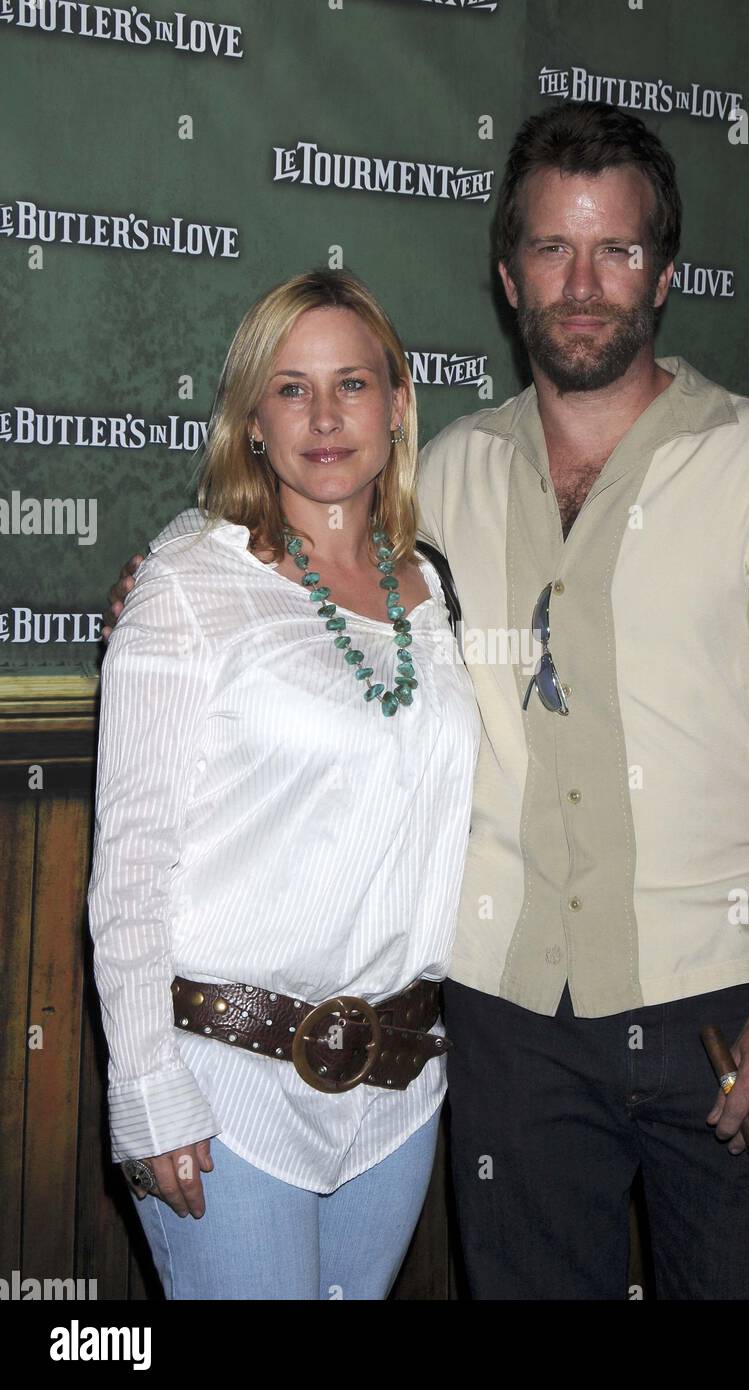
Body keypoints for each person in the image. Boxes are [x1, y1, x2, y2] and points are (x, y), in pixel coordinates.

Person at [105, 101, 749, 1301]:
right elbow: (273, 577)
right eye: (550, 251)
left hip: (720, 1014)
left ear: (663, 273)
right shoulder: (442, 483)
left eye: (614, 250)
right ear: (506, 277)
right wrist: (158, 586)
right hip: (505, 1025)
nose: (582, 284)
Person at [88, 267, 481, 1301]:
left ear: (398, 405)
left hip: (396, 1089)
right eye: (290, 387)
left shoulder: (435, 589)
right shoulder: (188, 583)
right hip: (226, 1087)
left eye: (351, 384)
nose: (323, 416)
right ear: (251, 419)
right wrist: (143, 1085)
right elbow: (131, 861)